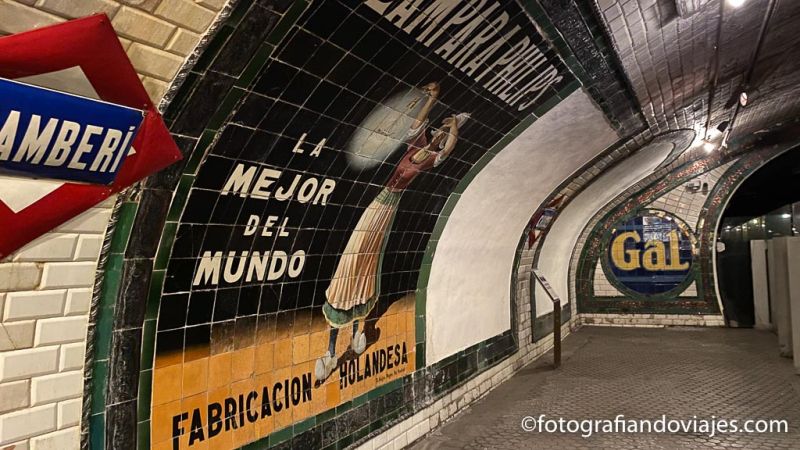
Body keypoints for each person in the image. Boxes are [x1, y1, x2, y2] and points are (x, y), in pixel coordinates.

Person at [315, 81, 469, 381]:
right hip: (379, 203)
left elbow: (448, 150)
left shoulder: (429, 161)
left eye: (441, 134)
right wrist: (431, 99)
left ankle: (357, 332)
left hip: (389, 207)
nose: (437, 135)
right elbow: (416, 124)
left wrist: (455, 128)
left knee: (369, 262)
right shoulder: (417, 142)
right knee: (354, 255)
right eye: (437, 131)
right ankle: (332, 349)